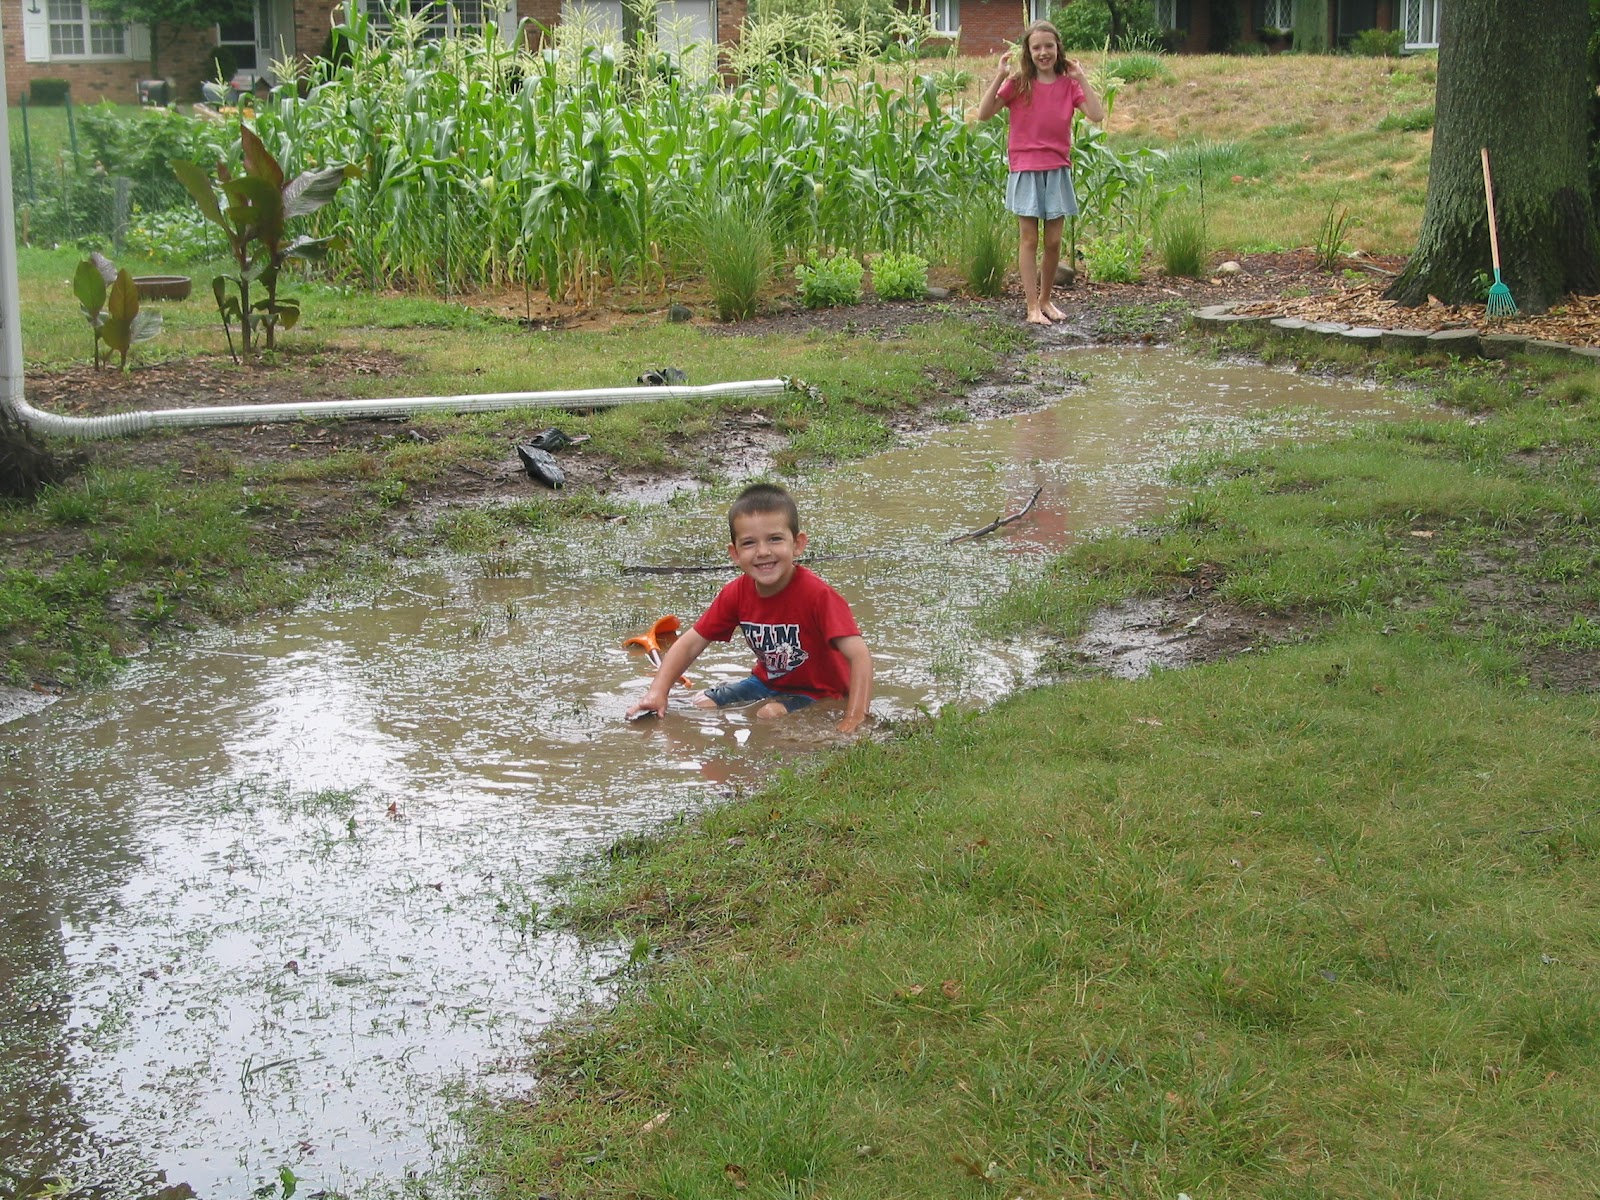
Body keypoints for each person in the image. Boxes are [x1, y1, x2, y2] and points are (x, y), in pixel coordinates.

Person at [627, 484, 874, 733]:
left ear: (798, 544)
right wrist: (658, 691)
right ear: (735, 554)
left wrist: (854, 717)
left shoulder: (819, 596)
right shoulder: (736, 593)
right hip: (765, 683)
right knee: (703, 702)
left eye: (775, 539)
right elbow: (690, 643)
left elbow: (859, 656)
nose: (763, 552)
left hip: (820, 691)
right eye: (749, 543)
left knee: (769, 714)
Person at [975, 21, 1107, 326]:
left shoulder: (1069, 85)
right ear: (1028, 51)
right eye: (1036, 47)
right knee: (1029, 239)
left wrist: (1082, 77)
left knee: (1053, 241)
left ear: (1058, 48)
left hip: (1057, 168)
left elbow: (1097, 115)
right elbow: (983, 114)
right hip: (1025, 168)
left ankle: (1047, 300)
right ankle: (1032, 306)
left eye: (1049, 46)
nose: (1043, 52)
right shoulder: (1018, 84)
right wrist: (999, 76)